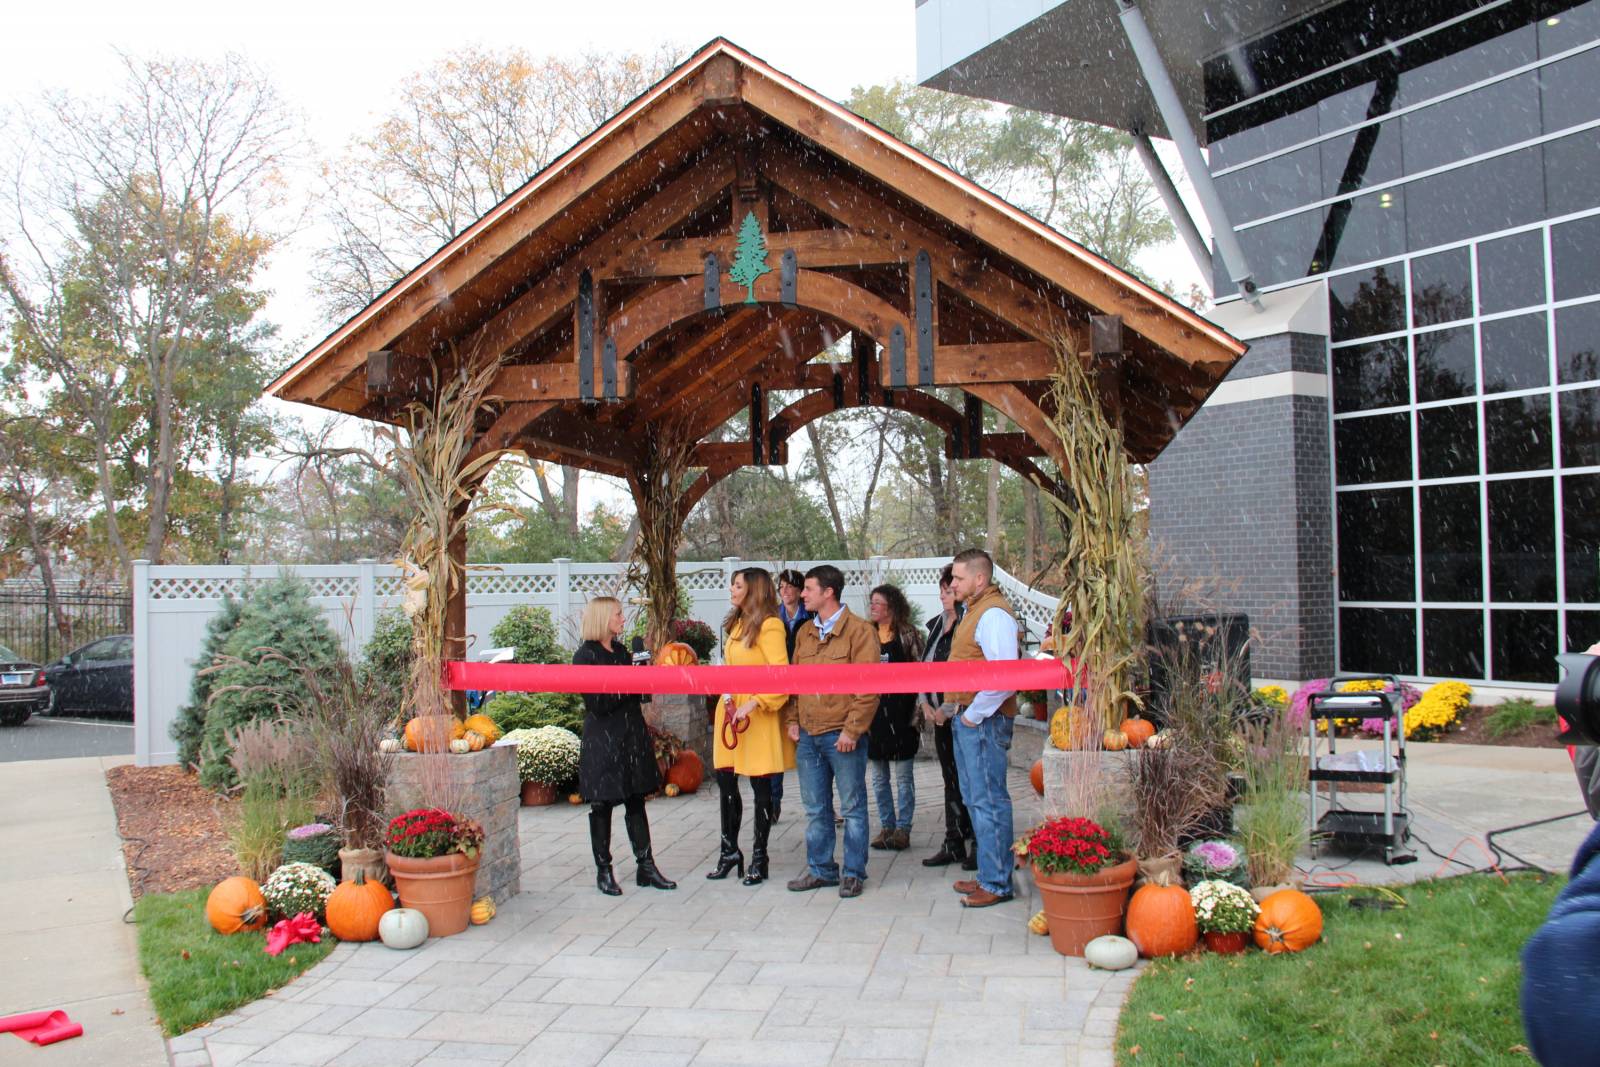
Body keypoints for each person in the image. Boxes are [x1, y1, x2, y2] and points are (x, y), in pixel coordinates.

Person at [784, 564, 879, 899]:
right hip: (808, 736)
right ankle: (821, 869)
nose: (802, 594)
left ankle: (853, 872)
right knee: (816, 809)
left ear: (828, 592)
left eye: (808, 589)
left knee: (852, 807)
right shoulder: (804, 633)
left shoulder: (860, 632)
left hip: (843, 736)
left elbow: (868, 688)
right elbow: (795, 682)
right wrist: (792, 719)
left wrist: (852, 731)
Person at [574, 596, 677, 896]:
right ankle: (604, 870)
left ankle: (646, 866)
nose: (622, 618)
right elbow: (598, 702)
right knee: (602, 803)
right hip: (603, 740)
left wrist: (643, 677)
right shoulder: (585, 656)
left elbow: (638, 696)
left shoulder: (623, 652)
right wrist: (630, 683)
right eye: (618, 614)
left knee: (635, 800)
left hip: (631, 734)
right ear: (603, 618)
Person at [939, 548, 1019, 908]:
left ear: (979, 579)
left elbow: (1005, 677)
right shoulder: (976, 610)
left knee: (988, 802)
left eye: (957, 577)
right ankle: (990, 874)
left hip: (983, 722)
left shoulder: (993, 615)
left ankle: (998, 883)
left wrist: (973, 715)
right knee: (976, 799)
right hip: (971, 719)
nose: (952, 583)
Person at [708, 567, 794, 886]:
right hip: (730, 710)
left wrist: (754, 702)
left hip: (755, 714)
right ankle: (729, 851)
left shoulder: (770, 626)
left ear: (754, 589)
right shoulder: (736, 623)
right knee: (726, 784)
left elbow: (781, 674)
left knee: (760, 788)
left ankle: (760, 855)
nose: (732, 589)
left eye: (738, 584)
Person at [919, 565, 975, 870]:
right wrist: (926, 704)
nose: (943, 594)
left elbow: (968, 673)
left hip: (964, 716)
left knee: (972, 781)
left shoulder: (969, 625)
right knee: (950, 780)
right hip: (938, 717)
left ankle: (978, 843)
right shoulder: (938, 624)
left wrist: (948, 709)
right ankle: (953, 841)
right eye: (942, 588)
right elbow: (925, 666)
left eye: (949, 589)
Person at [867, 583, 923, 851]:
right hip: (874, 718)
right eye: (871, 603)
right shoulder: (866, 635)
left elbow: (922, 671)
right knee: (878, 779)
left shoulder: (908, 634)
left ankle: (904, 829)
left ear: (891, 605)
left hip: (902, 718)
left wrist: (919, 712)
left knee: (903, 778)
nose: (873, 607)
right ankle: (886, 826)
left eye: (877, 603)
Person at [767, 568, 813, 823]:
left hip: (806, 689)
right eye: (781, 586)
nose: (785, 591)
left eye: (790, 586)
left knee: (808, 746)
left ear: (799, 590)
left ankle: (819, 802)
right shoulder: (772, 617)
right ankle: (774, 803)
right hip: (779, 687)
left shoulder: (812, 616)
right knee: (777, 745)